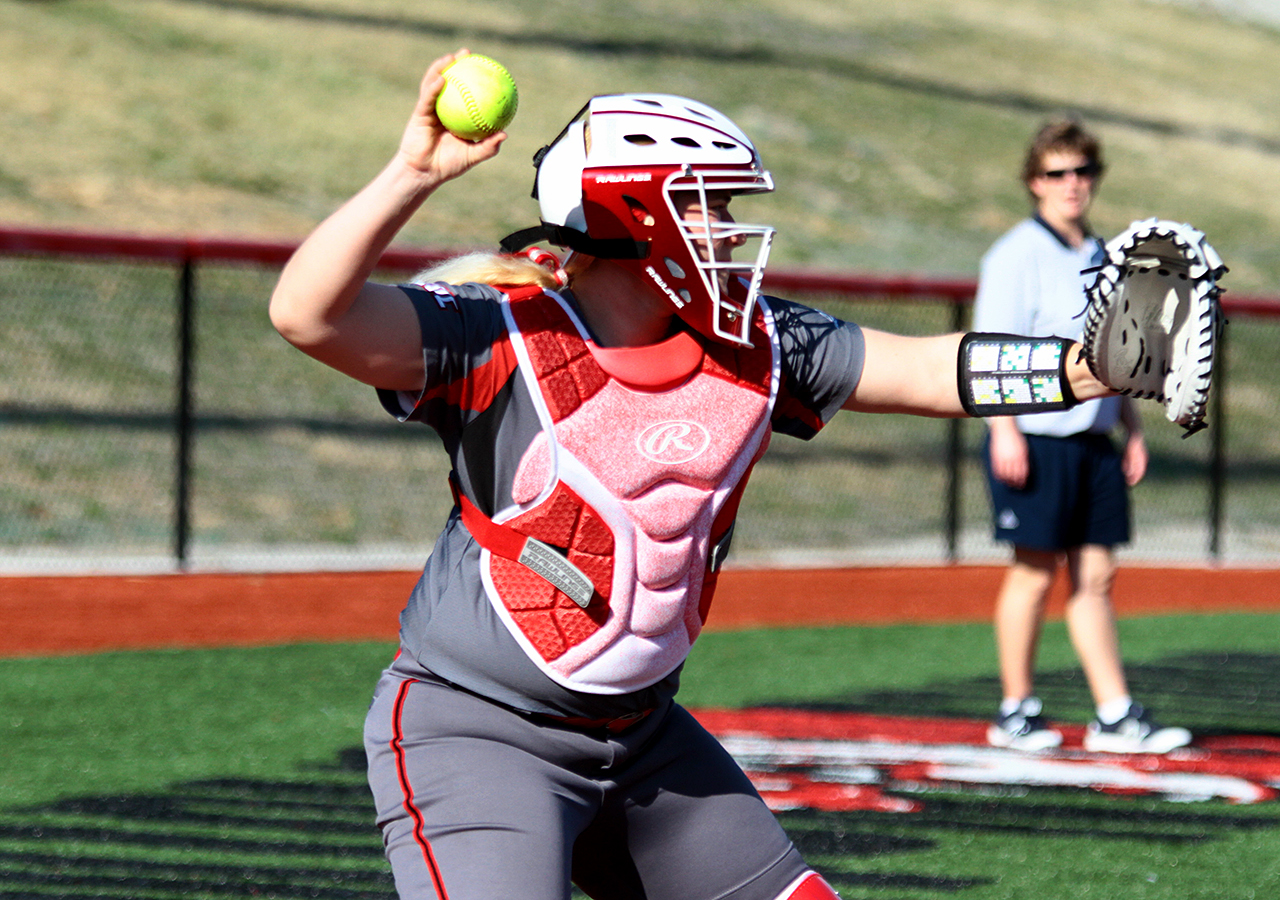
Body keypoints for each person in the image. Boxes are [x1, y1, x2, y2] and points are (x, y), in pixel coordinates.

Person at [270, 52, 1118, 900]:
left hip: (646, 747)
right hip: (479, 734)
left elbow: (935, 372)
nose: (727, 228)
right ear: (631, 210)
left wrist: (1090, 367)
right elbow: (307, 314)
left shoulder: (754, 341)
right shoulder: (498, 334)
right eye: (706, 203)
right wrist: (411, 174)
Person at [973, 118, 1192, 755]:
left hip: (1092, 440)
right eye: (1057, 173)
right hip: (1036, 435)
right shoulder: (1015, 254)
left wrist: (1130, 427)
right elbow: (990, 353)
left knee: (1096, 577)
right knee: (1034, 574)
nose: (1072, 185)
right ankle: (1014, 709)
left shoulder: (1102, 254)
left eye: (1082, 172)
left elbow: (1116, 356)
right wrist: (1003, 433)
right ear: (1034, 182)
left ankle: (1114, 713)